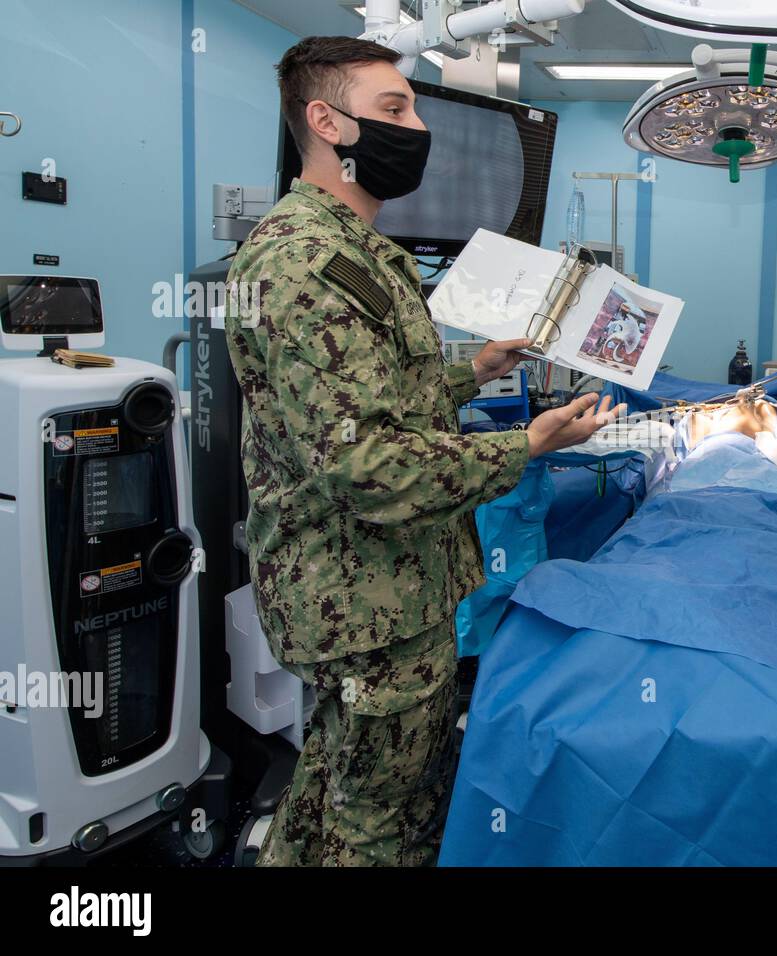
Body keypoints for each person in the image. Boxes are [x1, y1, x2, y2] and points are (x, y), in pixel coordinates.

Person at [226, 35, 620, 865]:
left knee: (337, 777)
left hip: (387, 585)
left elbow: (362, 405)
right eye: (394, 110)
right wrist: (528, 445)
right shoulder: (304, 263)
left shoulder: (355, 250)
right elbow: (365, 466)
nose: (419, 129)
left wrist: (471, 372)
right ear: (326, 122)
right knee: (377, 818)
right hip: (363, 600)